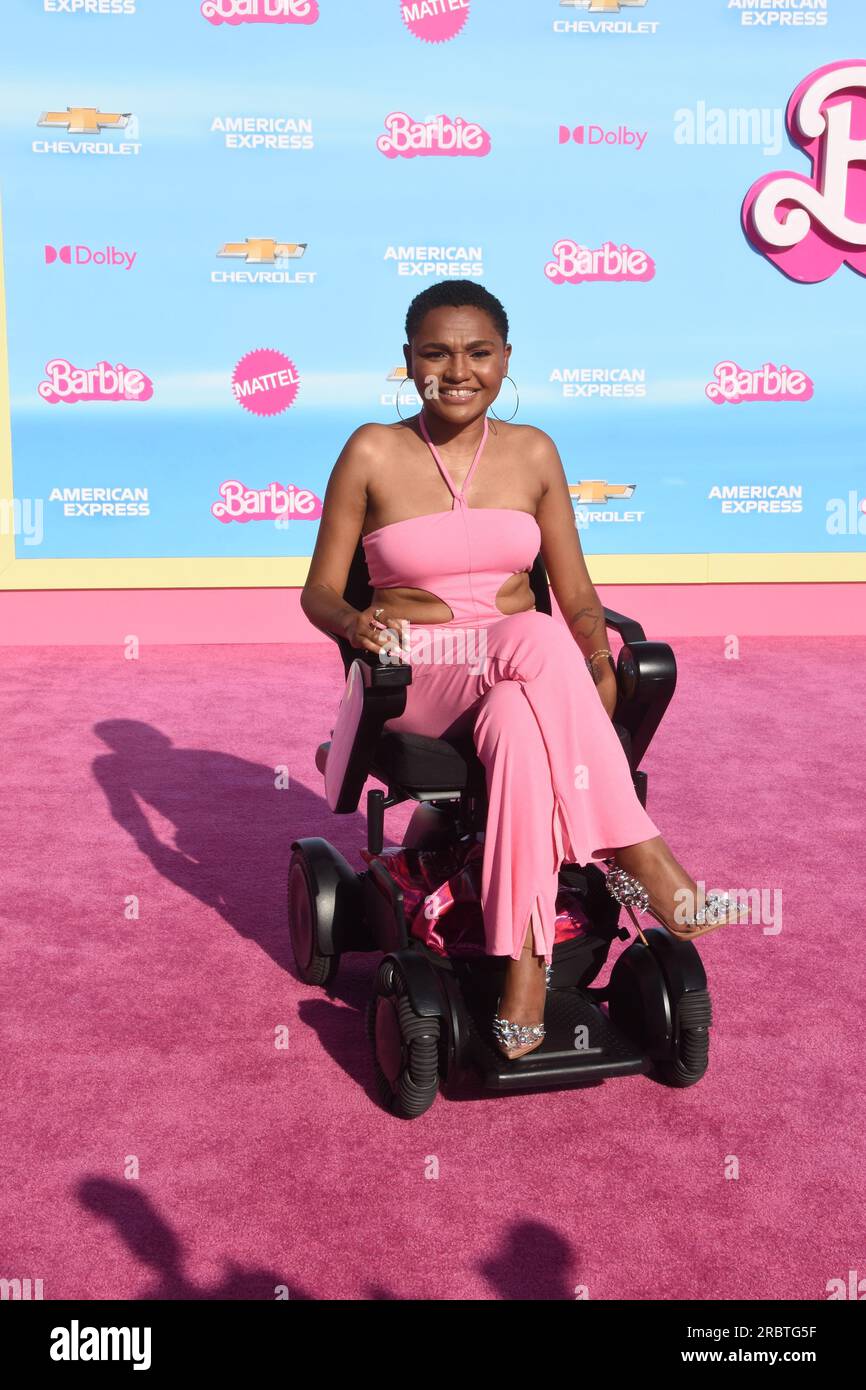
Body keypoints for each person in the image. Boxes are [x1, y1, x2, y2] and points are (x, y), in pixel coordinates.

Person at [301, 281, 742, 1061]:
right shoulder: (372, 449)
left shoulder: (534, 451)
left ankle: (525, 969)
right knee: (534, 641)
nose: (457, 369)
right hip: (418, 674)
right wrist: (353, 623)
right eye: (436, 352)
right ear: (408, 362)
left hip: (519, 679)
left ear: (506, 360)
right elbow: (318, 594)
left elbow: (576, 598)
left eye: (478, 352)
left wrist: (599, 659)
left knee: (518, 705)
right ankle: (638, 853)